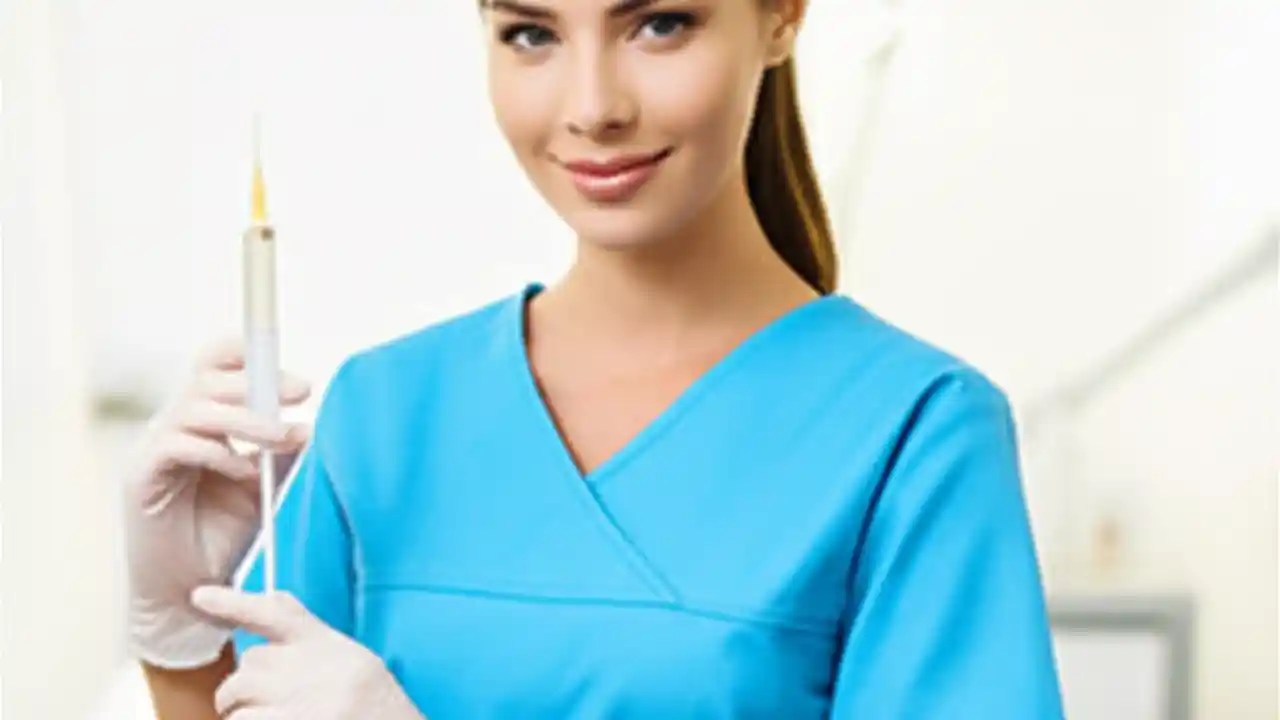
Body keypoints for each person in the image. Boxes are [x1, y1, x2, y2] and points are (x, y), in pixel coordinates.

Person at [122, 0, 1066, 717]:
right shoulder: (387, 410)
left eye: (659, 24)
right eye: (532, 34)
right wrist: (181, 639)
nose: (592, 108)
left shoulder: (913, 432)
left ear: (780, 16)